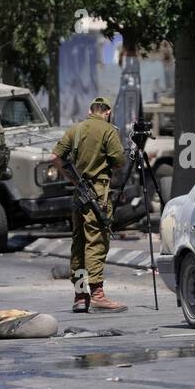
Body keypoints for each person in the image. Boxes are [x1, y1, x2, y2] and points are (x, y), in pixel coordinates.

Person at [53, 96, 127, 313]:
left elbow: (55, 156)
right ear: (108, 112)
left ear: (89, 110)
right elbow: (119, 161)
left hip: (79, 194)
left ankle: (79, 295)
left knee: (78, 244)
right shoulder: (108, 130)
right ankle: (97, 295)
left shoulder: (75, 130)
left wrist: (71, 179)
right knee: (96, 242)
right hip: (98, 194)